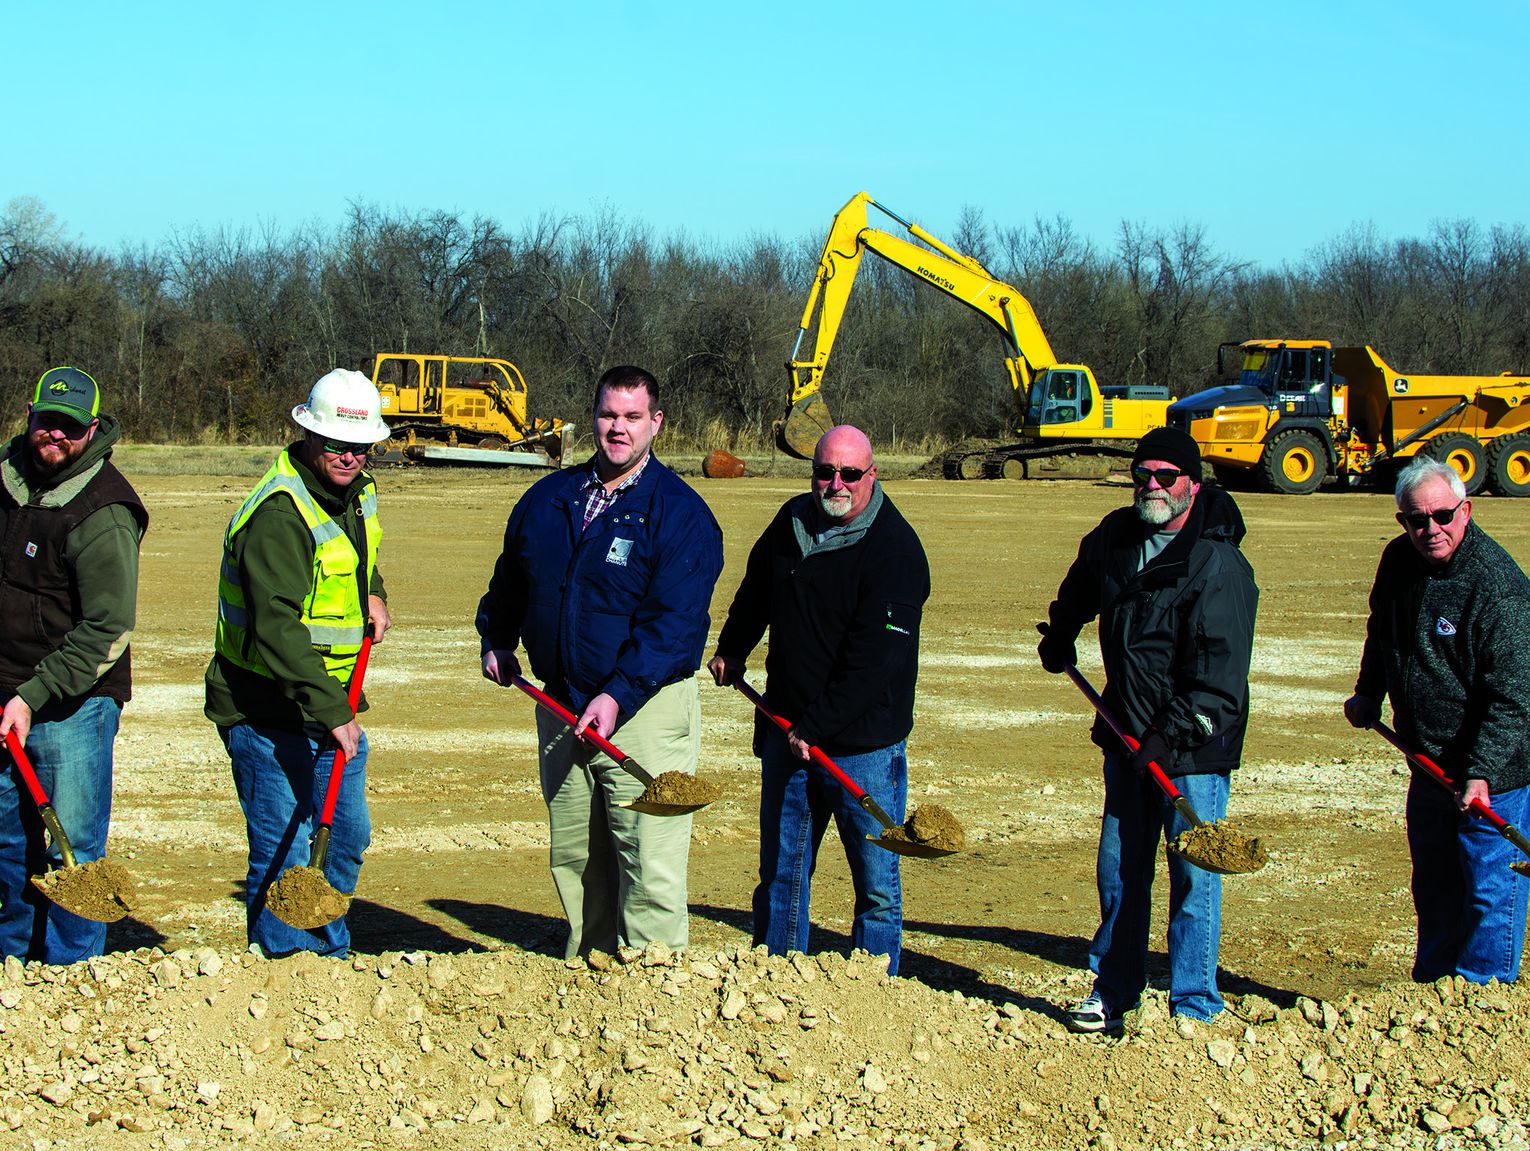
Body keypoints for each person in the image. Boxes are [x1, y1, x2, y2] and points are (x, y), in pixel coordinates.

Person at [477, 365, 722, 957]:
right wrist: (497, 637)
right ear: (593, 416)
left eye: (633, 417)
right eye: (609, 414)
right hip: (560, 704)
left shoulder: (681, 515)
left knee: (648, 863)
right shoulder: (549, 500)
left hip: (645, 712)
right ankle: (588, 983)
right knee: (577, 858)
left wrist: (617, 695)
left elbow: (674, 625)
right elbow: (512, 580)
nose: (619, 428)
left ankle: (653, 996)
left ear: (655, 423)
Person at [1036, 427, 1257, 1032]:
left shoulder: (1219, 567)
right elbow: (1083, 582)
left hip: (1193, 750)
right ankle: (1114, 988)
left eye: (1166, 476)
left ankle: (1194, 1003)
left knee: (1194, 877)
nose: (1152, 486)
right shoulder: (1115, 536)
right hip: (1127, 736)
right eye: (1143, 475)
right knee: (1120, 868)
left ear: (1192, 483)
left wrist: (1168, 737)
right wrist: (1063, 630)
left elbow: (1220, 684)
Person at [708, 425, 930, 976]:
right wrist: (733, 648)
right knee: (782, 872)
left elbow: (875, 663)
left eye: (849, 474)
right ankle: (775, 978)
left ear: (871, 475)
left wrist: (818, 724)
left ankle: (873, 990)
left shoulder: (896, 552)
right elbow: (756, 590)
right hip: (789, 732)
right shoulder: (791, 522)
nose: (836, 483)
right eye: (825, 471)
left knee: (876, 879)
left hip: (863, 748)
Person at [205, 368, 391, 958]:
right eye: (336, 443)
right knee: (284, 849)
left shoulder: (353, 494)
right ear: (308, 435)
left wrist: (374, 589)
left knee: (345, 837)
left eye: (360, 447)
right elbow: (275, 628)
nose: (349, 456)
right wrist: (334, 710)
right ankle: (289, 971)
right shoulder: (280, 515)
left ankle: (326, 961)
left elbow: (353, 558)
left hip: (324, 703)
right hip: (265, 710)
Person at [1344, 457, 1530, 984]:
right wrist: (1368, 693)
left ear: (1465, 511)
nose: (1431, 529)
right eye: (1416, 519)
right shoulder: (1398, 561)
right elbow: (1384, 631)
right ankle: (1431, 992)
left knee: (1489, 888)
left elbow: (1514, 696)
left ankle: (1480, 998)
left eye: (1443, 516)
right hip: (1427, 762)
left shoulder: (1498, 588)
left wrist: (1483, 771)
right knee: (1434, 883)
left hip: (1495, 777)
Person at [0, 367, 147, 963]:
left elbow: (106, 631)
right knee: (8, 842)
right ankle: (12, 965)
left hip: (72, 704)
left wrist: (32, 698)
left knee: (74, 850)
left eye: (69, 427)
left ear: (92, 429)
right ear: (30, 417)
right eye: (45, 423)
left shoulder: (104, 510)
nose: (54, 436)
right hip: (6, 692)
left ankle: (73, 978)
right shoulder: (4, 479)